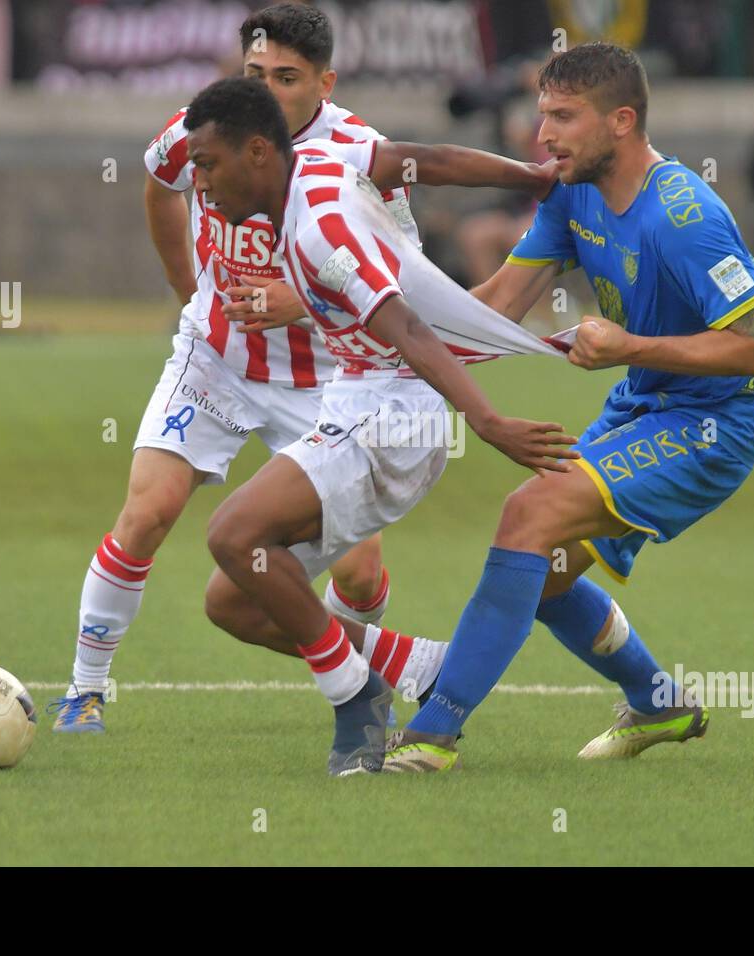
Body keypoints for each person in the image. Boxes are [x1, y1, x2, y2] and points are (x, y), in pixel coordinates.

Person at [378, 42, 754, 773]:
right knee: (548, 570)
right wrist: (376, 333)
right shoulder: (572, 192)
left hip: (715, 424)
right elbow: (497, 304)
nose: (544, 136)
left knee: (526, 516)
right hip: (642, 404)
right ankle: (659, 704)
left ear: (622, 121)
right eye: (543, 115)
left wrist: (630, 343)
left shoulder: (686, 215)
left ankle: (432, 733)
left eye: (564, 117)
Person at [181, 75, 583, 774]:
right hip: (359, 401)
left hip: (392, 417)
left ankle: (354, 695)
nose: (201, 187)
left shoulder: (317, 231)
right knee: (236, 600)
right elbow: (426, 159)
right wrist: (533, 176)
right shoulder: (322, 163)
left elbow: (407, 328)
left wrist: (487, 423)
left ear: (255, 152)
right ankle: (414, 665)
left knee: (233, 534)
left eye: (208, 165)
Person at [50, 3, 409, 733]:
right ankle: (85, 691)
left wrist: (300, 301)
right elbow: (157, 184)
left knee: (360, 572)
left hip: (324, 382)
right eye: (256, 73)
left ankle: (354, 670)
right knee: (146, 514)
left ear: (325, 83)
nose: (268, 90)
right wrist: (191, 292)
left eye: (287, 77)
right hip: (214, 361)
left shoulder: (361, 153)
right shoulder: (203, 126)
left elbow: (402, 275)